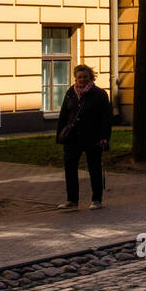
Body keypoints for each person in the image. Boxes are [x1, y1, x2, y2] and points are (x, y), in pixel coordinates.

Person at [55, 63, 113, 210]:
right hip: (72, 137)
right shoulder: (70, 92)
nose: (82, 79)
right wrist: (60, 135)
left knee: (94, 168)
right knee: (70, 168)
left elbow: (106, 118)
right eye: (79, 77)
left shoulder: (99, 94)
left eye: (85, 77)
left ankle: (96, 199)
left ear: (91, 78)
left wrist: (105, 137)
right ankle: (72, 200)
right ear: (75, 78)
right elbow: (64, 115)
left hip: (92, 137)